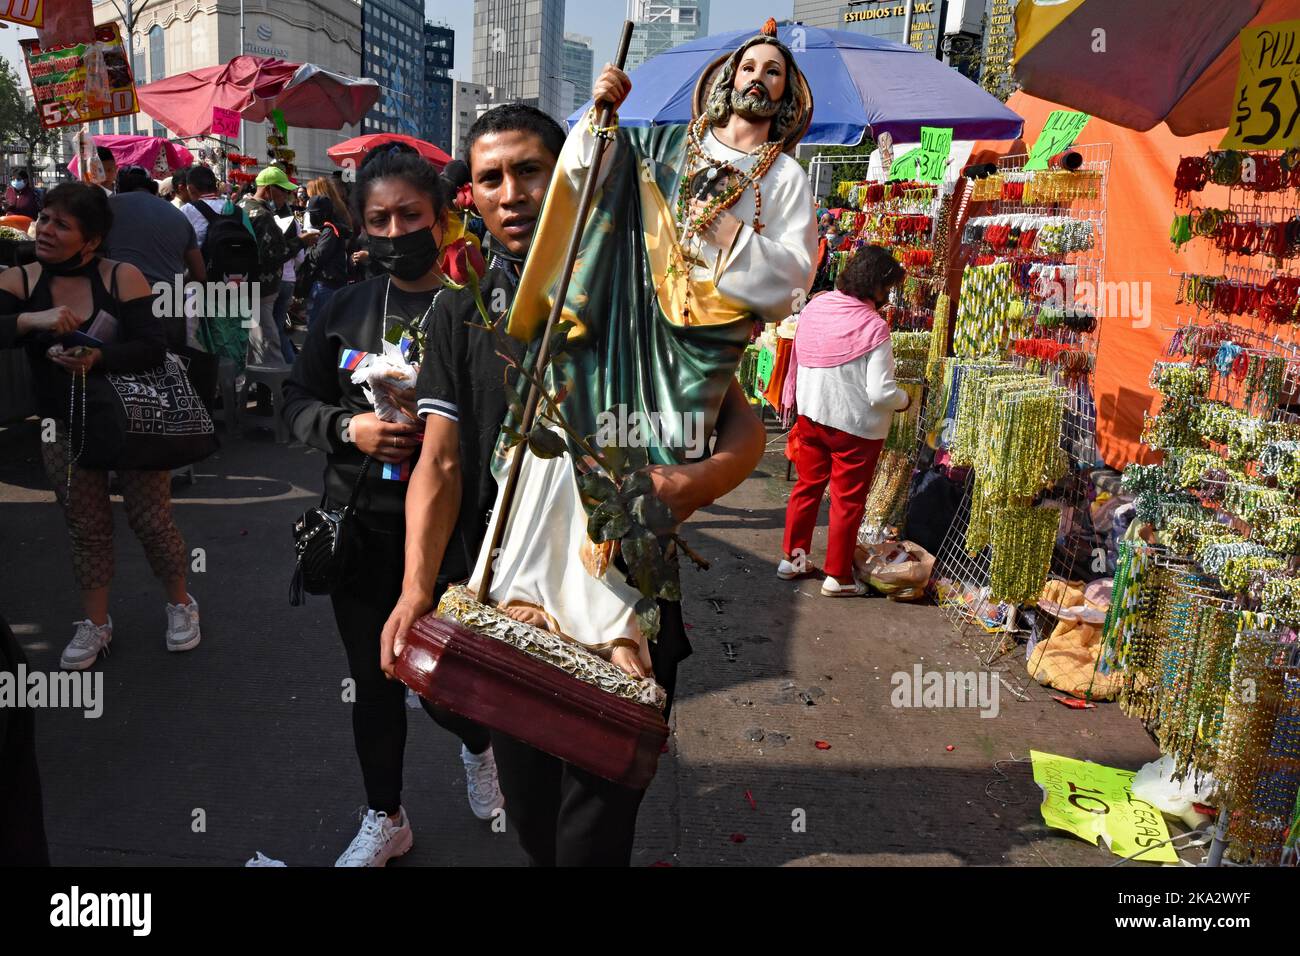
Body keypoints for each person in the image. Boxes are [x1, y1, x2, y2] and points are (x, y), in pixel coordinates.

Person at [385, 19, 797, 861]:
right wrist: (415, 588)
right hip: (509, 602)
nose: (510, 194)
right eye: (490, 179)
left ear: (570, 172)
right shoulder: (462, 309)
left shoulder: (642, 288)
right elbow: (441, 459)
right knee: (535, 822)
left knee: (596, 829)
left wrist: (692, 485)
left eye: (529, 172)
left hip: (629, 596)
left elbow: (740, 425)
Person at [282, 146, 505, 868]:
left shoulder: (479, 305)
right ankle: (385, 815)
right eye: (378, 218)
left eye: (410, 214)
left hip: (459, 535)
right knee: (374, 678)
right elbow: (296, 403)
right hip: (363, 529)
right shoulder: (343, 308)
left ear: (442, 220)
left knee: (452, 687)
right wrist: (352, 428)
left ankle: (479, 747)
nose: (394, 229)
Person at [0, 182, 201, 670]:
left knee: (151, 520)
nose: (45, 229)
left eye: (61, 224)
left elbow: (155, 345)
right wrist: (33, 321)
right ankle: (96, 624)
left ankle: (181, 605)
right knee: (85, 527)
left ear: (90, 241)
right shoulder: (21, 280)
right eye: (44, 217)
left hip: (132, 420)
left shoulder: (123, 276)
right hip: (63, 426)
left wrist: (98, 357)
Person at [778, 245, 911, 596]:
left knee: (807, 487)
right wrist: (905, 400)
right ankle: (837, 576)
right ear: (877, 286)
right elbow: (881, 393)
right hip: (854, 428)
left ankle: (792, 559)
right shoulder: (874, 326)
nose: (888, 297)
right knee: (847, 501)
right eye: (888, 289)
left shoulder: (816, 306)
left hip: (811, 415)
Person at [241, 166, 305, 368]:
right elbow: (273, 256)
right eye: (283, 191)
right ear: (269, 189)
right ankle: (278, 389)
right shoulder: (262, 215)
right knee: (269, 342)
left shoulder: (239, 206)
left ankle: (253, 384)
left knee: (253, 340)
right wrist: (301, 242)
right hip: (262, 287)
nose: (287, 196)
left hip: (240, 284)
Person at [299, 193, 348, 329]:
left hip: (326, 285)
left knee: (316, 328)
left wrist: (307, 247)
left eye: (313, 213)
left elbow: (319, 256)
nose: (311, 217)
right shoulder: (330, 229)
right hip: (330, 284)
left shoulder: (329, 230)